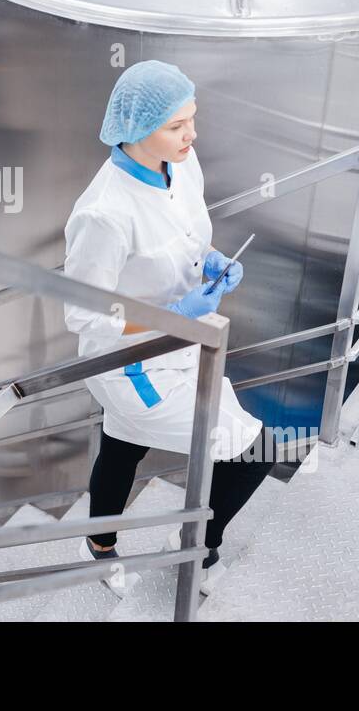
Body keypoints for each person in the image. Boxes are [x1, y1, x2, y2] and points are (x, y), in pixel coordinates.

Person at [63, 60, 276, 601]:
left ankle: (98, 545)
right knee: (255, 449)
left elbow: (184, 234)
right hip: (132, 363)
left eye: (193, 119)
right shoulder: (104, 215)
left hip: (186, 340)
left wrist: (210, 260)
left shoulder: (181, 163)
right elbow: (85, 316)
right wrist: (175, 312)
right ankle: (201, 552)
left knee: (121, 449)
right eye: (177, 126)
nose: (193, 135)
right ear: (137, 131)